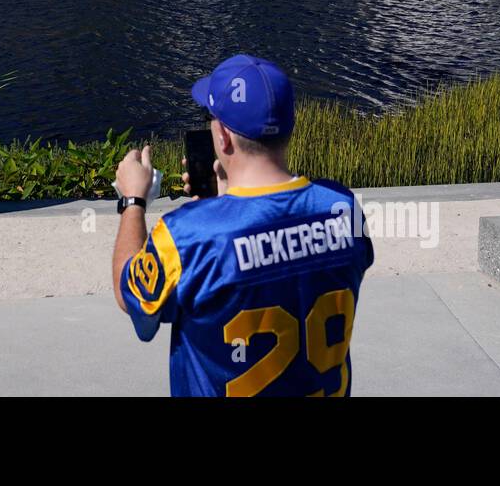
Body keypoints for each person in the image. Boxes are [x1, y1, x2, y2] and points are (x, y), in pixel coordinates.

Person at [112, 54, 373, 397]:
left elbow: (130, 297)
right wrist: (225, 202)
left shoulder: (187, 236)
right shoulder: (342, 208)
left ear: (222, 136)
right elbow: (286, 264)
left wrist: (133, 201)